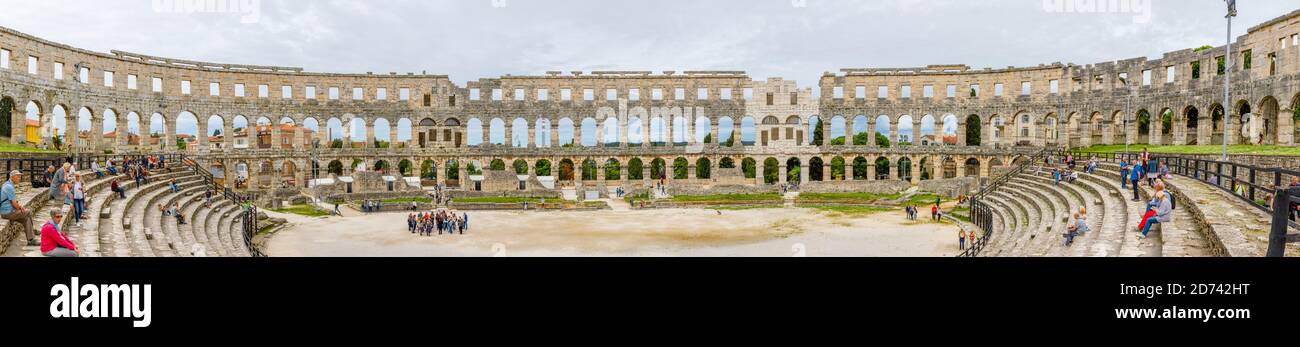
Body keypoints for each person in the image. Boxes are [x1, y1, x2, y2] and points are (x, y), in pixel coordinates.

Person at [1, 171, 36, 246]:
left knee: (26, 219)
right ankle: (32, 234)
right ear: (12, 177)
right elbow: (14, 203)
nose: (19, 178)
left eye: (20, 176)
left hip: (8, 211)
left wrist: (20, 207)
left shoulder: (7, 184)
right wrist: (20, 208)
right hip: (8, 213)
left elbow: (14, 201)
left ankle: (30, 239)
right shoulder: (9, 187)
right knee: (28, 212)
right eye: (18, 176)